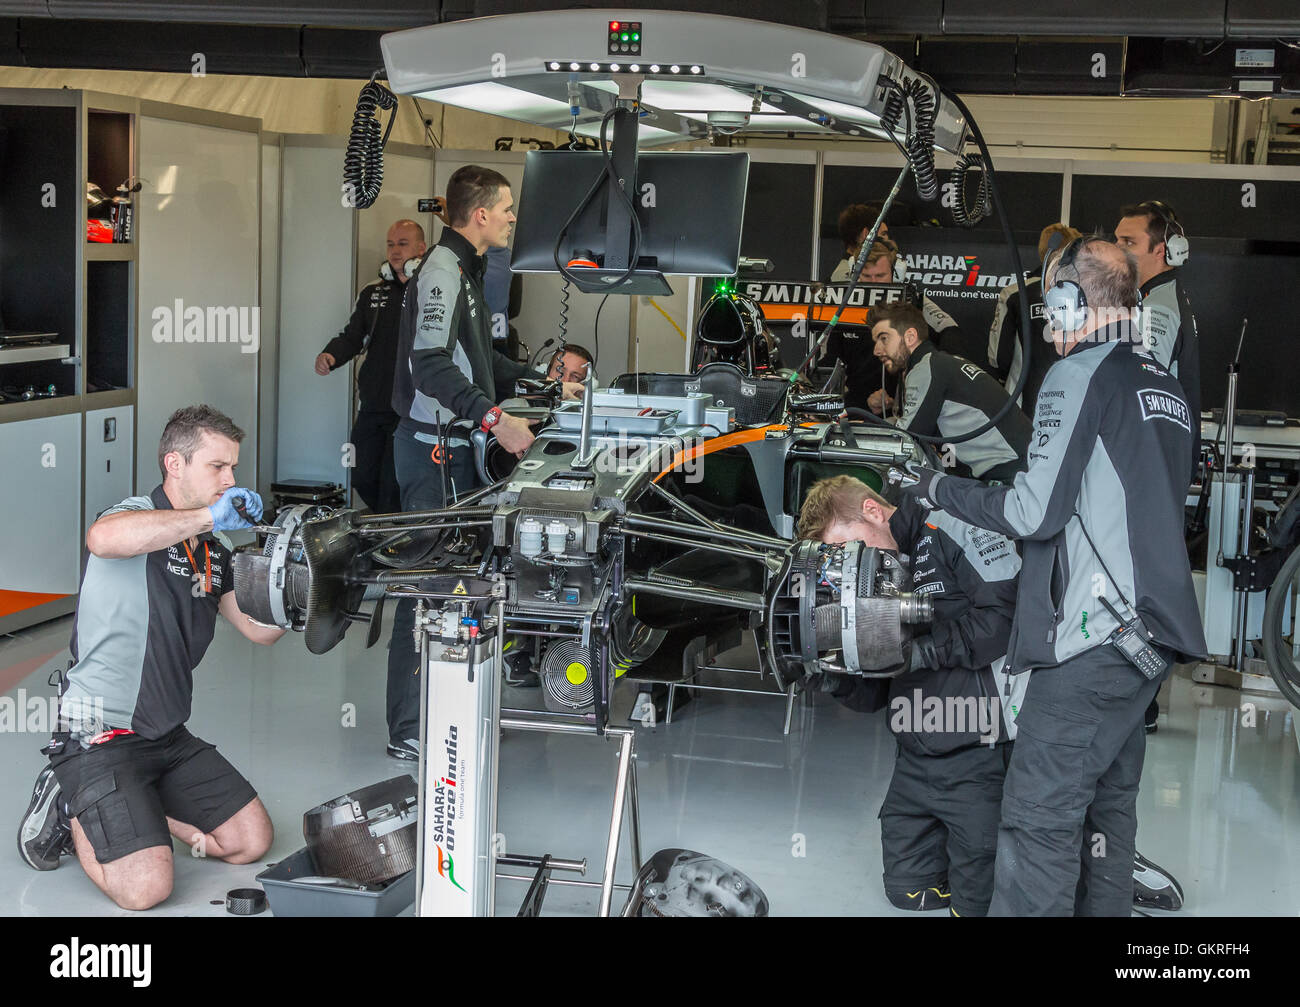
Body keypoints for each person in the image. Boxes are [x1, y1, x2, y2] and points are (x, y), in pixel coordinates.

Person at [891, 237, 1208, 916]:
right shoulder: (1165, 385)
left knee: (1037, 818)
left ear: (1070, 299)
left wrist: (938, 489)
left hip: (1091, 644)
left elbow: (1034, 512)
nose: (1046, 323)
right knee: (1107, 820)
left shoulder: (1079, 373)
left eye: (1050, 305)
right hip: (1149, 639)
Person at [17, 405, 284, 910]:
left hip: (165, 734)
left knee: (250, 841)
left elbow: (258, 631)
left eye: (233, 468)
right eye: (217, 467)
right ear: (174, 464)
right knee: (145, 890)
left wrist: (294, 591)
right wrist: (208, 516)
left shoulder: (214, 548)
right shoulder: (130, 515)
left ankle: (133, 806)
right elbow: (104, 540)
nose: (230, 480)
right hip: (99, 732)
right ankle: (69, 796)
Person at [386, 164, 581, 761]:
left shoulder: (469, 271)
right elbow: (432, 368)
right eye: (507, 210)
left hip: (454, 451)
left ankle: (446, 710)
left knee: (460, 584)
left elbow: (477, 361)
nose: (512, 219)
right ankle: (407, 726)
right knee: (426, 583)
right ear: (479, 216)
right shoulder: (443, 270)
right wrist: (498, 420)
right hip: (430, 452)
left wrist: (540, 383)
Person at [798, 475, 1023, 917]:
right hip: (913, 758)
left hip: (977, 750)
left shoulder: (952, 521)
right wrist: (827, 675)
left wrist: (924, 651)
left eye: (852, 548)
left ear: (873, 511)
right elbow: (876, 693)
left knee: (976, 902)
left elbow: (1008, 615)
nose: (850, 565)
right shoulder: (873, 575)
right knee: (908, 895)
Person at [1115, 200, 1201, 733]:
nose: (1120, 249)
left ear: (1161, 250)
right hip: (1158, 464)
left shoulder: (1158, 307)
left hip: (1153, 465)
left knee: (1140, 577)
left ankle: (1139, 699)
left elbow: (1140, 376)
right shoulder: (1157, 297)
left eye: (1129, 242)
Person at [315, 219, 427, 514]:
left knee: (393, 482)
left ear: (421, 248)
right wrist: (331, 355)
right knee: (362, 475)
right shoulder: (373, 292)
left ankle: (389, 539)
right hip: (373, 404)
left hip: (411, 409)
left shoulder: (431, 291)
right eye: (391, 244)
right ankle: (383, 527)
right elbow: (353, 335)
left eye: (402, 244)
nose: (395, 251)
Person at [873, 301, 1030, 483]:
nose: (876, 350)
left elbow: (905, 439)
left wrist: (858, 428)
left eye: (884, 338)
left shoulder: (927, 367)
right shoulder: (942, 362)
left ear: (910, 337)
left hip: (1012, 471)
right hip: (1016, 464)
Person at [987, 223, 1082, 421]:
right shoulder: (1087, 294)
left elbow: (998, 356)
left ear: (1042, 252)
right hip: (1076, 398)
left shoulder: (1015, 294)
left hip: (1024, 401)